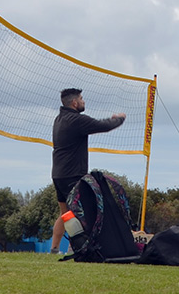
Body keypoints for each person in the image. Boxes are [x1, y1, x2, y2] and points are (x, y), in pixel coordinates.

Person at [49, 88, 125, 253]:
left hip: (58, 173)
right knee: (81, 214)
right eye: (82, 99)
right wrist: (119, 119)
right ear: (75, 103)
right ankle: (77, 249)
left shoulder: (59, 119)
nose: (84, 101)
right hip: (72, 174)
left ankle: (54, 250)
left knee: (66, 214)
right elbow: (102, 125)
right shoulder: (76, 120)